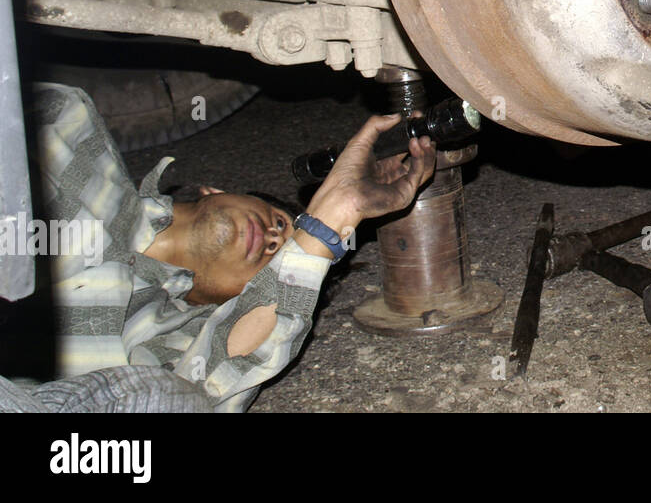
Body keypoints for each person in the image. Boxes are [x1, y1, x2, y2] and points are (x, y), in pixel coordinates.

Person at [2, 82, 435, 412]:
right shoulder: (71, 130)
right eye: (280, 224)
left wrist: (336, 215)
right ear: (215, 190)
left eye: (275, 253)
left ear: (234, 303)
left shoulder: (164, 342)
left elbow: (212, 381)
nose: (269, 238)